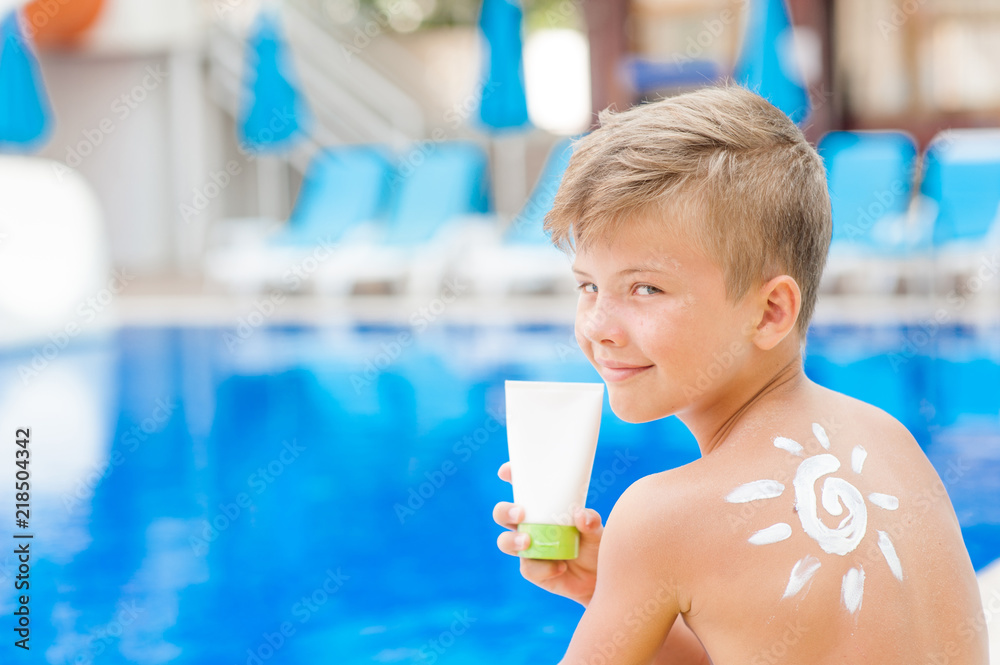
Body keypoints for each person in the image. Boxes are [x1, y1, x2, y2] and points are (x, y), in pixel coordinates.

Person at [491, 85, 988, 665]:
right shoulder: (891, 441)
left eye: (645, 287)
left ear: (771, 311)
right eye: (588, 286)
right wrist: (614, 593)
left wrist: (641, 566)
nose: (598, 325)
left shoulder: (660, 515)